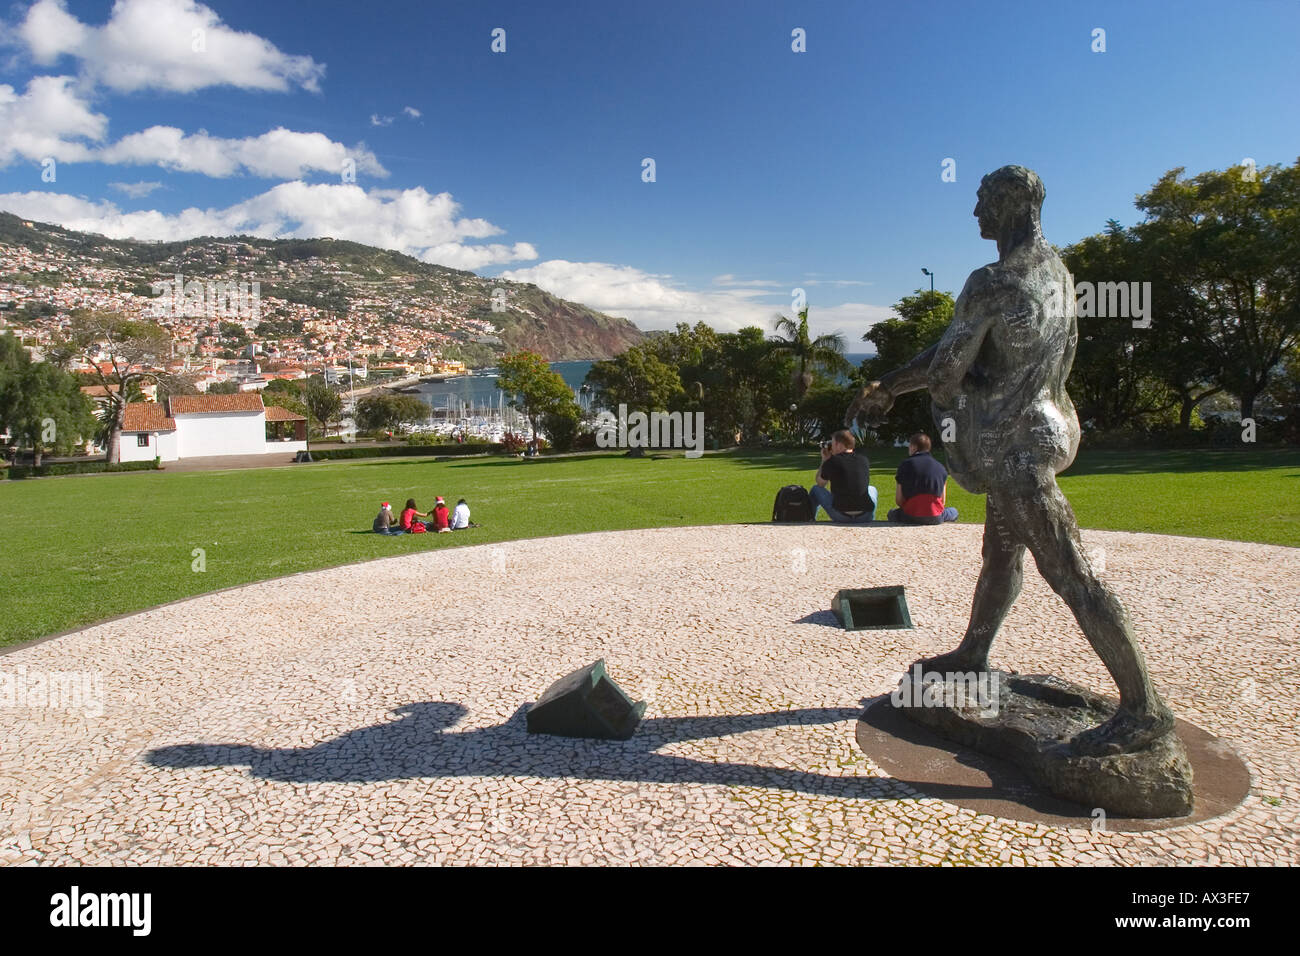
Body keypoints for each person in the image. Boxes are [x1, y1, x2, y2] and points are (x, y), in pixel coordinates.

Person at [845, 164, 1174, 755]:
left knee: (1071, 571)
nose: (975, 214)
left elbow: (948, 367)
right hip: (1048, 427)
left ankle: (1144, 709)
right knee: (1000, 554)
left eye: (982, 202)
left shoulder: (991, 280)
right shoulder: (1058, 272)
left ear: (1012, 204)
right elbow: (975, 349)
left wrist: (888, 387)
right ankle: (974, 651)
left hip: (1018, 447)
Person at [888, 433, 959, 525]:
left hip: (910, 515)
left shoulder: (904, 465)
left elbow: (899, 500)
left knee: (891, 513)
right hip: (935, 516)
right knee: (954, 511)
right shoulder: (941, 468)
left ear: (914, 447)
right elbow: (942, 501)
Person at [809, 429, 878, 523]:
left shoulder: (832, 462)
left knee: (815, 489)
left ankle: (810, 519)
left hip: (841, 515)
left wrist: (824, 460)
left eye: (832, 443)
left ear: (839, 445)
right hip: (865, 515)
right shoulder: (863, 460)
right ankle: (871, 520)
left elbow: (820, 483)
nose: (831, 446)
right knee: (872, 489)